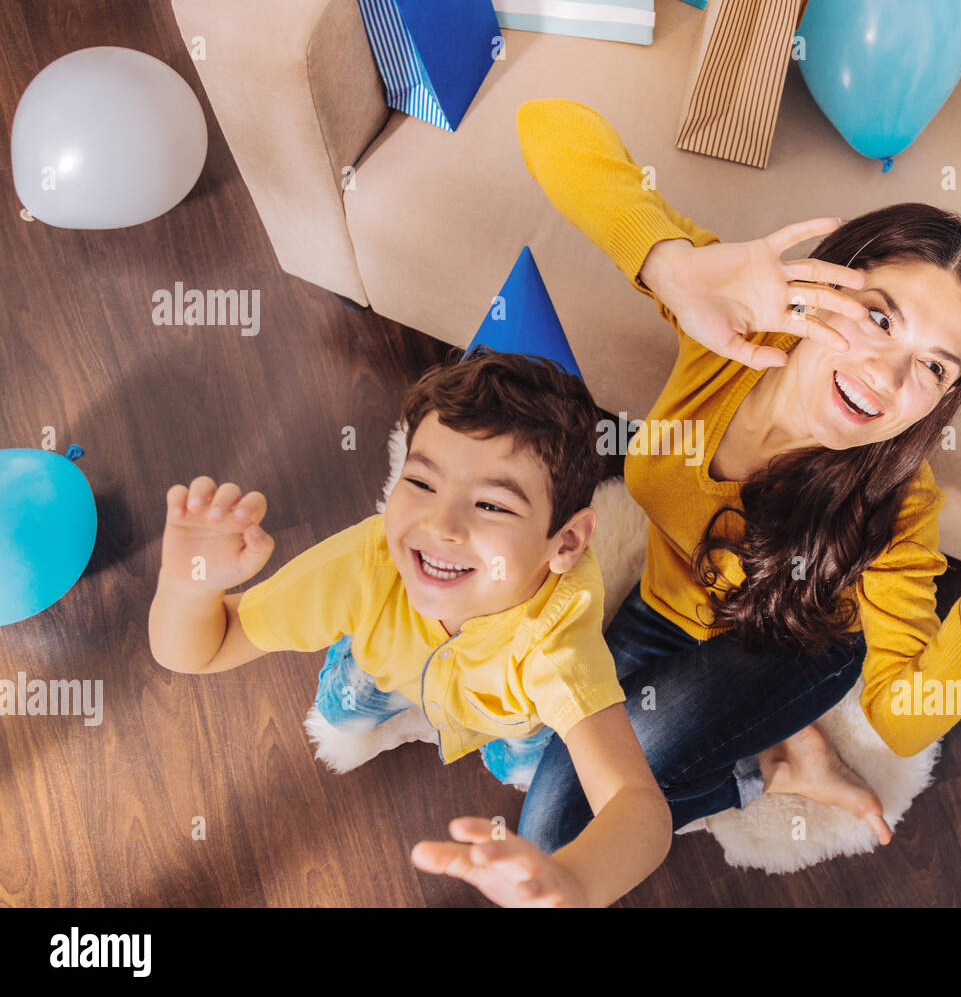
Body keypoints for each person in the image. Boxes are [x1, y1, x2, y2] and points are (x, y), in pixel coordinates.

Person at [512, 98, 961, 853]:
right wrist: (671, 264)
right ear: (827, 281)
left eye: (933, 366)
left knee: (555, 830)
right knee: (573, 766)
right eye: (880, 317)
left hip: (791, 650)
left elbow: (896, 719)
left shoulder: (903, 507)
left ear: (943, 399)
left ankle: (783, 749)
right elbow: (547, 123)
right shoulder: (736, 329)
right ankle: (774, 768)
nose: (886, 373)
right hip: (660, 612)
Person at [147, 347, 673, 907]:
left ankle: (502, 741)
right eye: (421, 483)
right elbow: (204, 649)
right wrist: (187, 585)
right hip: (389, 671)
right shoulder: (365, 564)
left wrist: (575, 882)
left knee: (520, 757)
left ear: (565, 542)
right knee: (344, 707)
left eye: (492, 506)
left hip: (510, 716)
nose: (439, 526)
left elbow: (639, 809)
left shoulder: (555, 642)